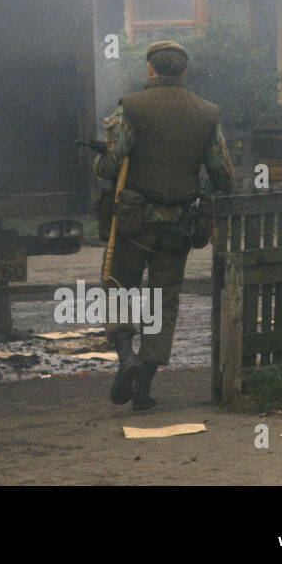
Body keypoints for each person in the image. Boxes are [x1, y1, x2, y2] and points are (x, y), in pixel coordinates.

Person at [95, 40, 234, 410]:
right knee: (163, 299)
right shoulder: (207, 113)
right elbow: (222, 171)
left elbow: (111, 163)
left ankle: (126, 358)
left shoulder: (131, 106)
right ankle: (144, 388)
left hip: (133, 223)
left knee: (118, 287)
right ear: (183, 72)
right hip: (179, 225)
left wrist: (100, 164)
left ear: (150, 69)